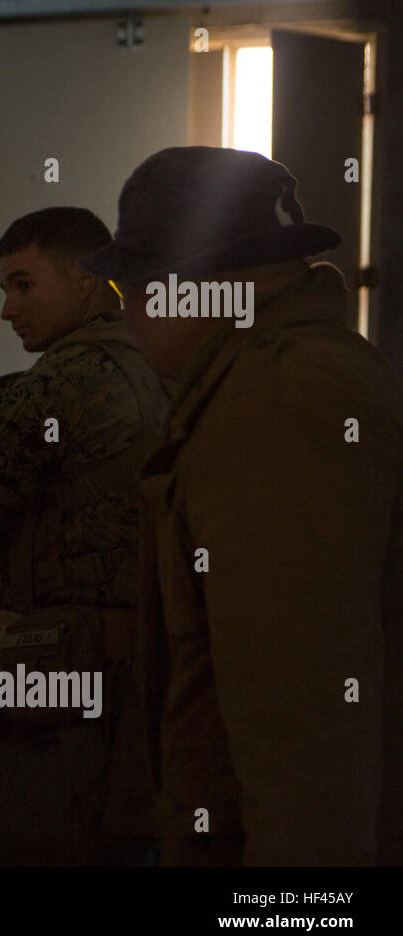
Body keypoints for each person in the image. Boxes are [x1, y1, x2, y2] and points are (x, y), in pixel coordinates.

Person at [78, 146, 403, 866]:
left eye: (130, 284)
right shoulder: (287, 371)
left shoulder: (276, 402)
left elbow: (304, 726)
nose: (126, 309)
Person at [0, 206, 170, 866]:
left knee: (32, 834)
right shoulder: (162, 366)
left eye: (24, 284)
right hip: (158, 661)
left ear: (89, 281)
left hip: (63, 668)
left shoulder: (56, 384)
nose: (7, 308)